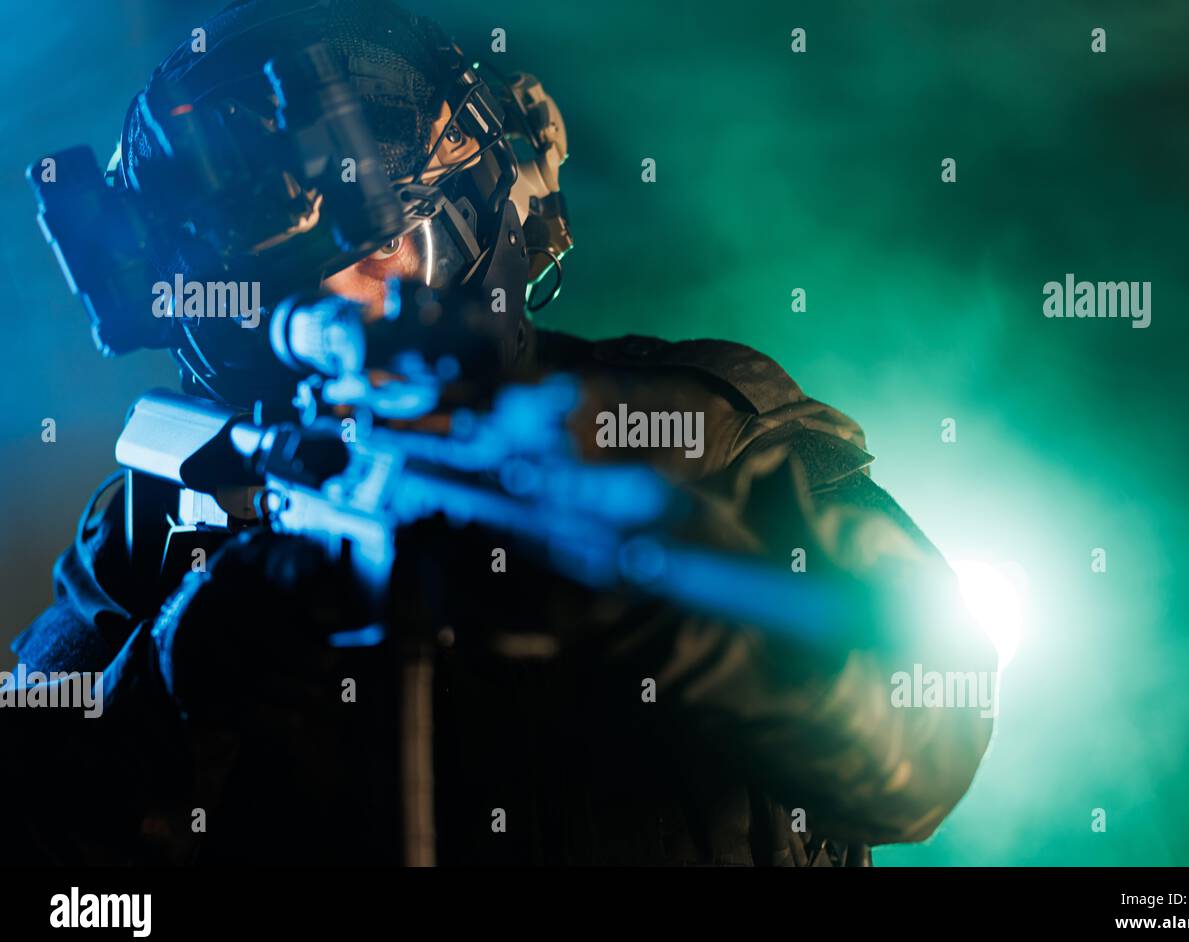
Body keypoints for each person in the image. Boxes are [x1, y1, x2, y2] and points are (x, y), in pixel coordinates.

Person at [5, 0, 996, 866]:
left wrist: (682, 620)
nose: (357, 301)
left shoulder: (700, 436)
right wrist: (177, 681)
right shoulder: (167, 518)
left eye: (385, 244)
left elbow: (926, 753)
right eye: (281, 286)